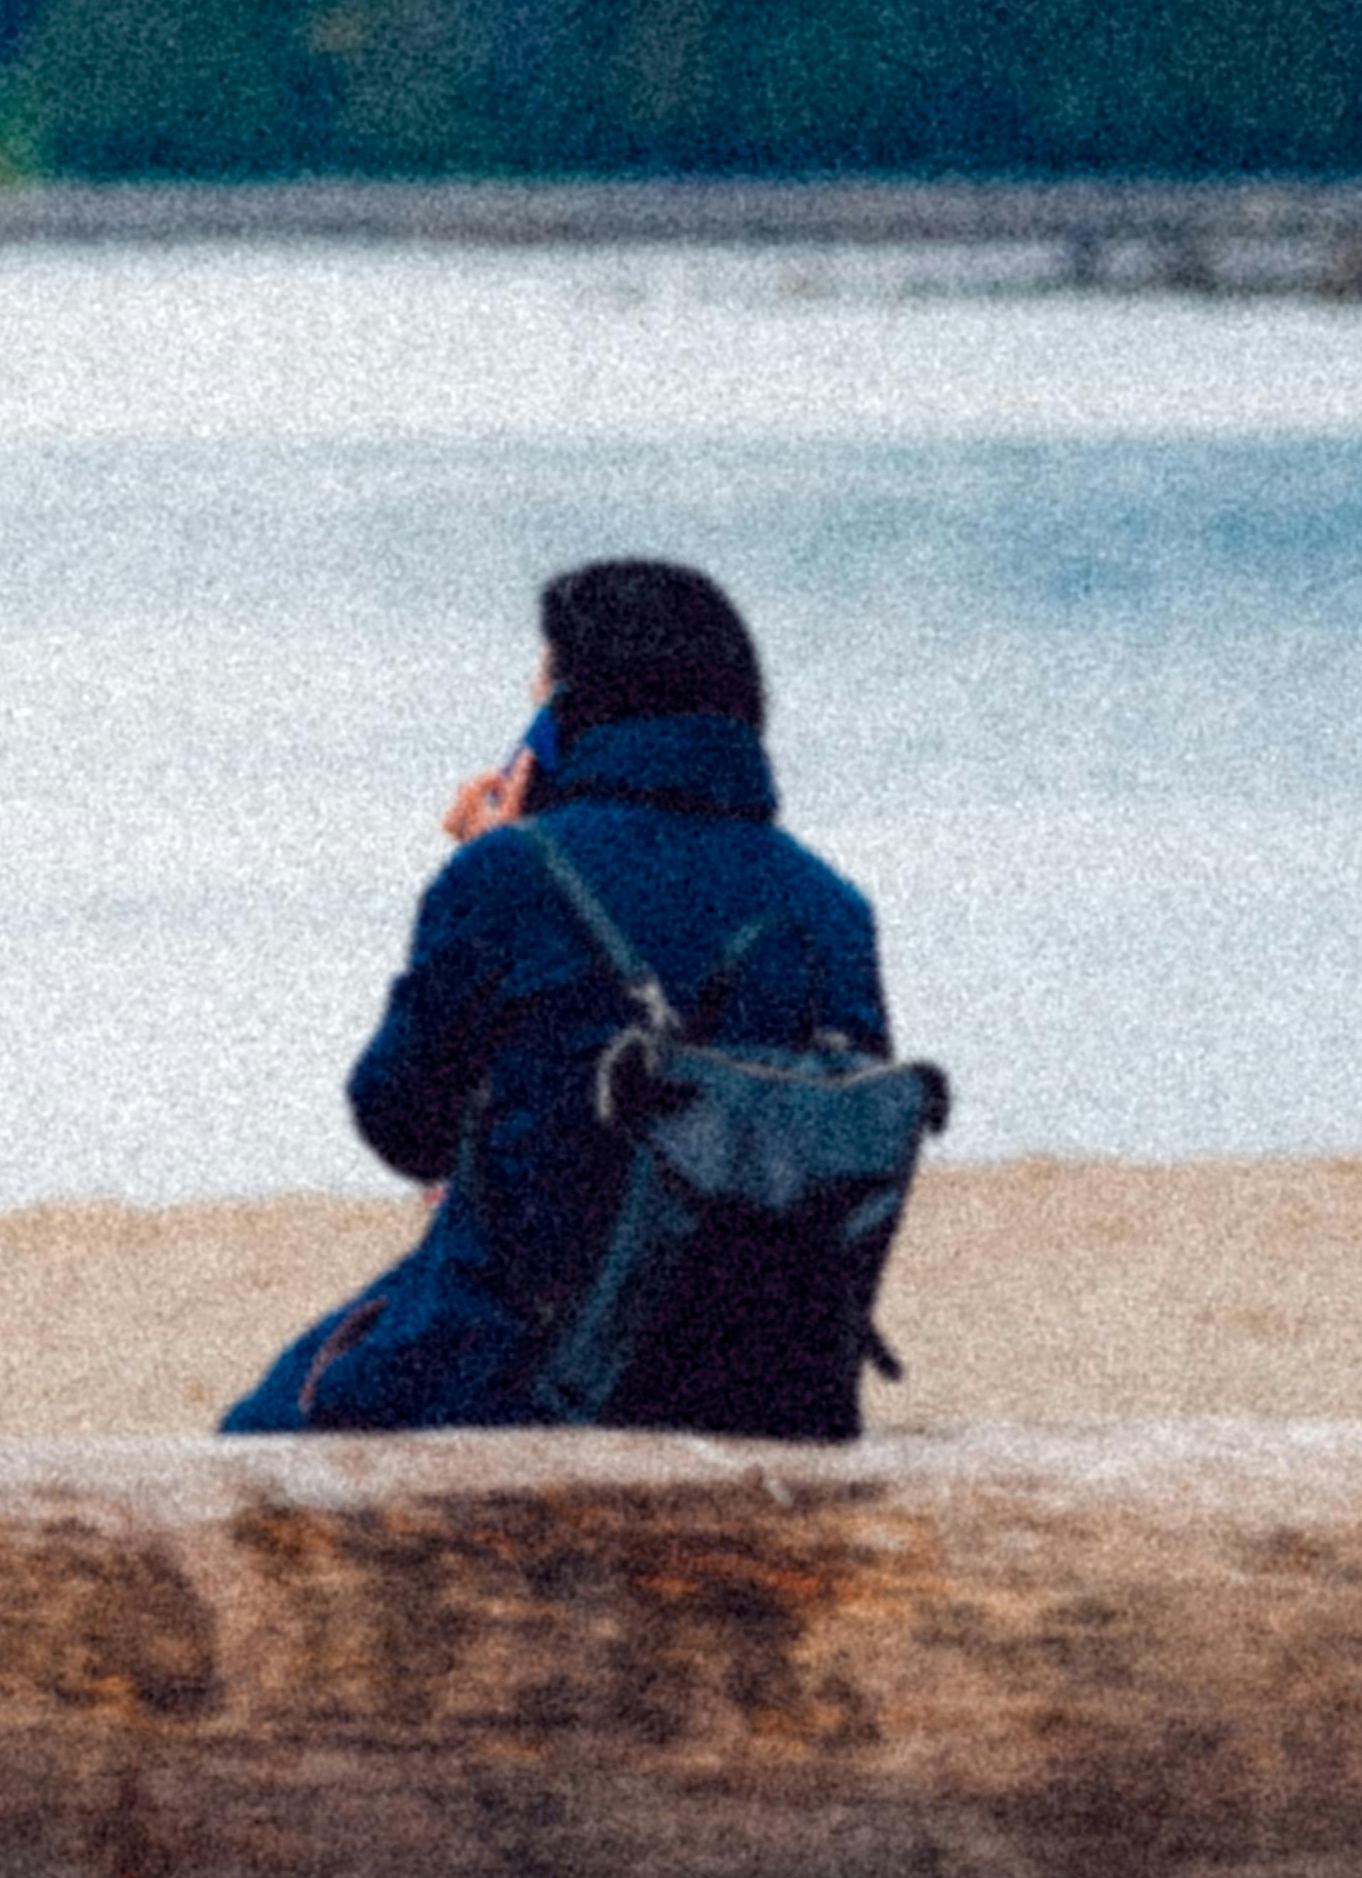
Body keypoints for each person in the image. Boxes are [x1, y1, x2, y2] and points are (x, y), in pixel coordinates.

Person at [220, 553, 893, 1436]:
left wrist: (472, 867)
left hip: (519, 1365)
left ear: (572, 708)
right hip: (761, 1389)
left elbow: (400, 1123)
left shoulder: (509, 875)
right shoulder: (833, 906)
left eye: (540, 691)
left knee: (255, 1445)